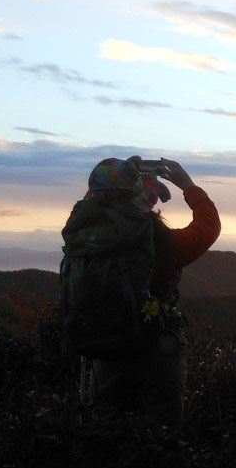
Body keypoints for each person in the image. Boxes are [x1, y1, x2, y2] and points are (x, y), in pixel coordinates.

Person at [62, 156, 220, 429]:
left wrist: (126, 170)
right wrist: (188, 186)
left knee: (105, 426)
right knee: (161, 429)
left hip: (101, 345)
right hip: (154, 347)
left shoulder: (82, 234)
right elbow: (208, 227)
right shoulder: (160, 241)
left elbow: (106, 194)